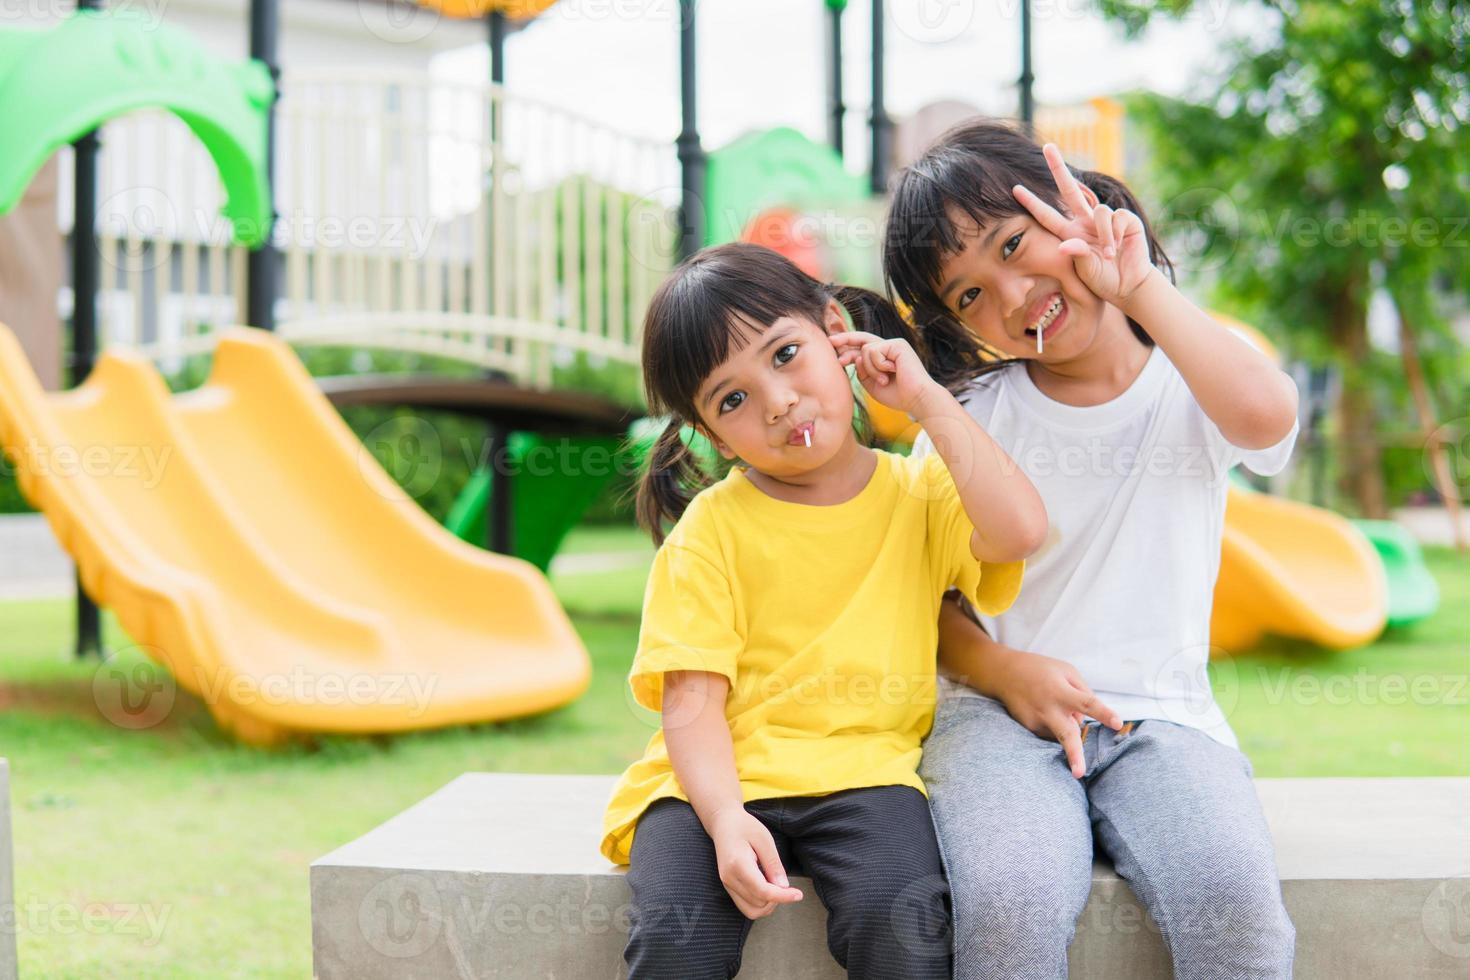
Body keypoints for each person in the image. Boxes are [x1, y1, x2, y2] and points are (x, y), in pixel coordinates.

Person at [884, 120, 1300, 979]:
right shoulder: (972, 418)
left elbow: (1266, 419)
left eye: (1014, 242)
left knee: (1235, 901)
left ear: (1080, 208)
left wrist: (1140, 286)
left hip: (1164, 717)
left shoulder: (1192, 366)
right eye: (967, 295)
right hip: (995, 718)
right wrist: (1007, 674)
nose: (1009, 292)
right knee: (1009, 902)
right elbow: (920, 603)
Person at [599, 241, 1046, 979]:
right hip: (712, 784)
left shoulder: (918, 493)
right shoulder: (711, 530)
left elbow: (1020, 529)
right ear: (712, 435)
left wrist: (926, 397)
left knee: (901, 926)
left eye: (786, 355)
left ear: (834, 329)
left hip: (868, 775)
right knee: (677, 944)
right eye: (733, 400)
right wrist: (724, 819)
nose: (778, 402)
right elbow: (692, 703)